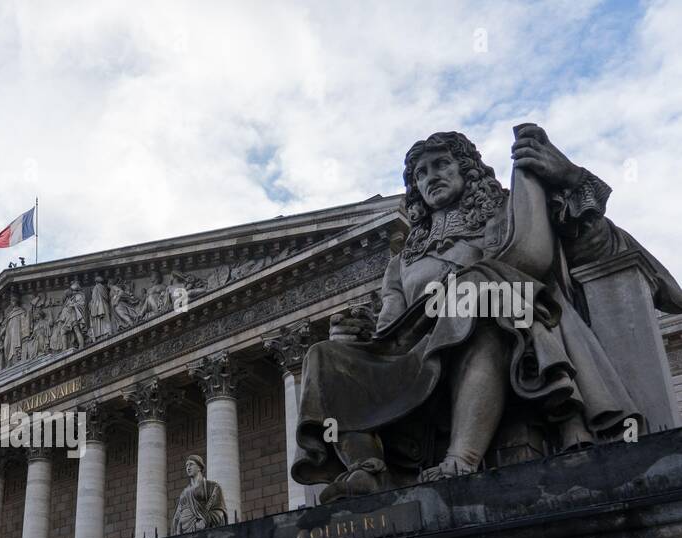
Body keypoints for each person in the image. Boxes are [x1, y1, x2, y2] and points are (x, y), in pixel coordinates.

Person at [292, 125, 682, 504]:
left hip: (506, 325)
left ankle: (461, 459)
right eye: (421, 173)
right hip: (417, 356)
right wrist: (357, 335)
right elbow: (388, 332)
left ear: (467, 168)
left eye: (441, 165)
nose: (431, 177)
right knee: (324, 356)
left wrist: (570, 176)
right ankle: (367, 468)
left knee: (476, 296)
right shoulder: (402, 262)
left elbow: (594, 240)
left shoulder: (509, 212)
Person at [170, 455, 228, 535]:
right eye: (186, 465)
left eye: (191, 464)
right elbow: (177, 515)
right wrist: (175, 530)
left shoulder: (212, 487)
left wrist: (205, 521)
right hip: (183, 531)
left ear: (199, 467)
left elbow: (219, 510)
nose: (188, 468)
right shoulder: (184, 492)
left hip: (201, 528)